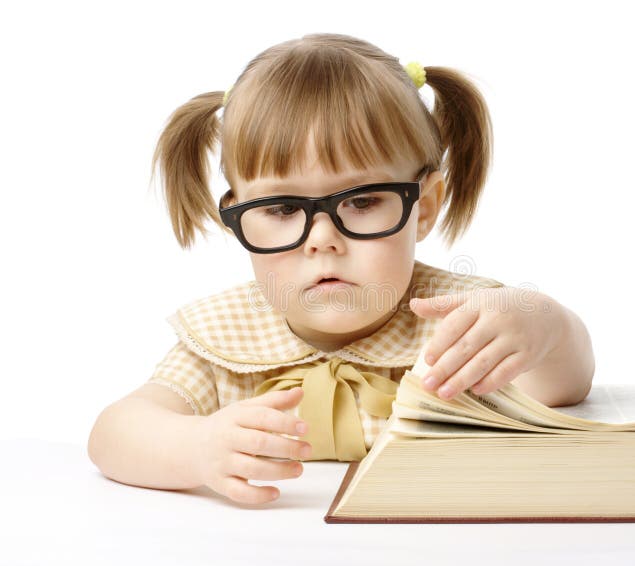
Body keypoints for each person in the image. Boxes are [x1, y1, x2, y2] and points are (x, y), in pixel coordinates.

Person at [87, 33, 595, 506]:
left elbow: (562, 386)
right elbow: (115, 432)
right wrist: (194, 447)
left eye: (363, 200)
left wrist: (546, 326)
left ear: (424, 204)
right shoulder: (226, 339)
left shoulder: (460, 325)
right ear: (237, 215)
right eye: (283, 209)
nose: (322, 240)